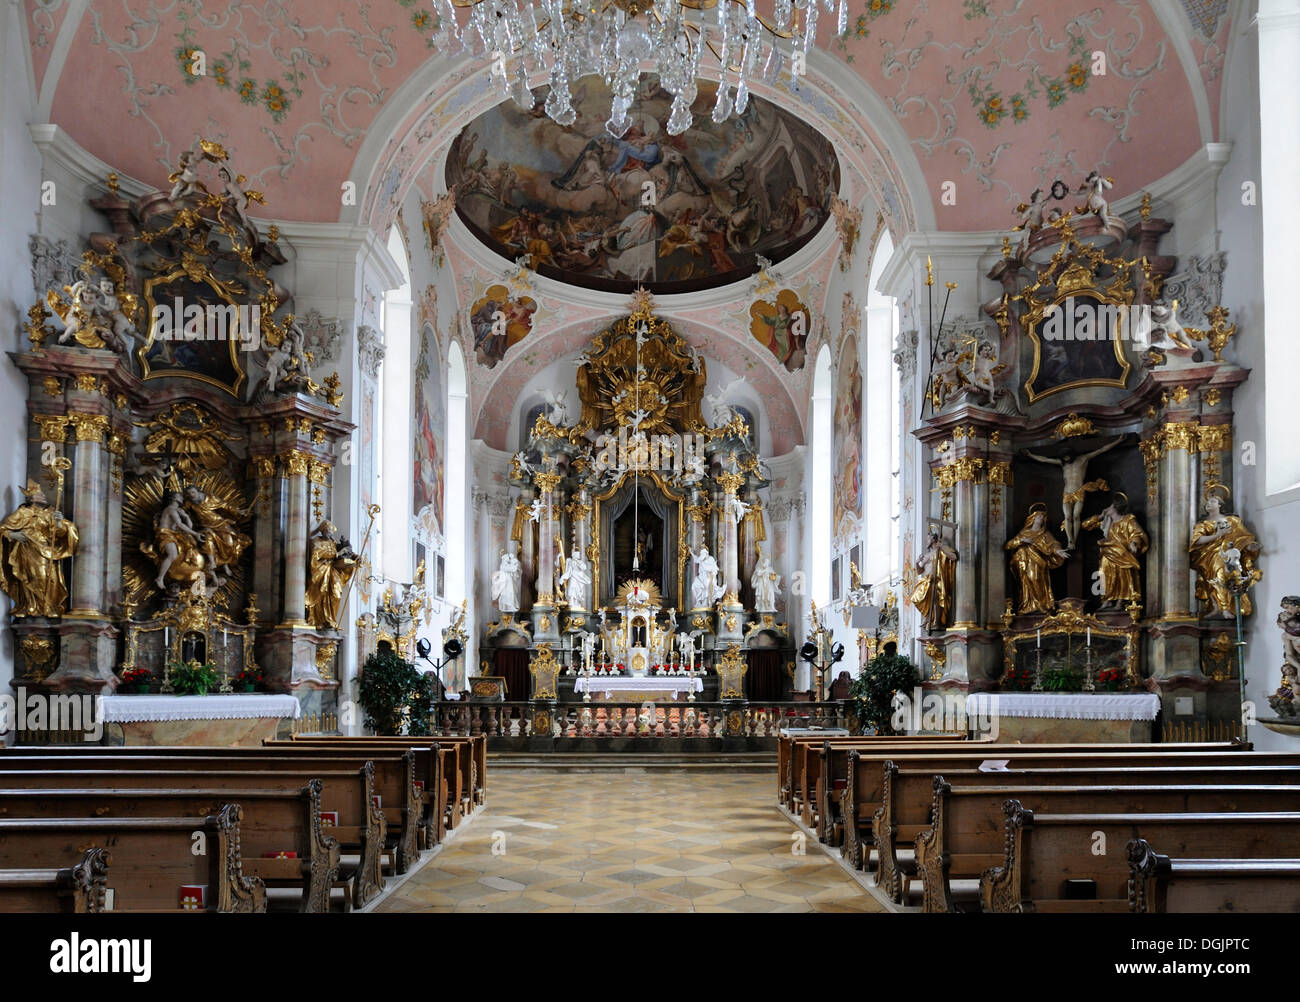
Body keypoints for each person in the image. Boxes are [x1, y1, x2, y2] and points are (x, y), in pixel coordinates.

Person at [1022, 436, 1124, 550]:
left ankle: (1074, 540)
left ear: (1072, 455)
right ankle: (1070, 541)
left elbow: (1101, 450)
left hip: (1079, 491)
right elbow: (1045, 459)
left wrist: (1118, 441)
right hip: (1067, 492)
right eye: (1063, 458)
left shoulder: (1083, 459)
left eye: (1067, 457)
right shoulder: (1063, 464)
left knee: (1076, 516)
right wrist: (1030, 455)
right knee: (1067, 517)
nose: (1065, 459)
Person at [0, 480, 79, 618]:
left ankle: (49, 606)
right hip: (28, 549)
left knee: (50, 578)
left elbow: (59, 534)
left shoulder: (50, 512)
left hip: (46, 550)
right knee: (34, 577)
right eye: (39, 494)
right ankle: (32, 606)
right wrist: (13, 534)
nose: (43, 495)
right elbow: (3, 529)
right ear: (30, 497)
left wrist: (59, 522)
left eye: (42, 493)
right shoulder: (23, 512)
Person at [1082, 493, 1148, 608]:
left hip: (1122, 554)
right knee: (1105, 575)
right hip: (1107, 553)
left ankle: (1121, 601)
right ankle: (1107, 599)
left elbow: (1137, 533)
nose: (1107, 508)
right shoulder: (1106, 523)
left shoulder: (1127, 520)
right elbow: (1085, 526)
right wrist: (1099, 517)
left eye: (1110, 506)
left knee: (1123, 577)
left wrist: (1134, 543)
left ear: (1115, 508)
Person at [1005, 505, 1070, 615]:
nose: (1041, 519)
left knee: (1036, 579)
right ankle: (1028, 606)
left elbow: (1053, 544)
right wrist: (1022, 540)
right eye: (1039, 517)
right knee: (1025, 584)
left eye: (1043, 518)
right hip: (1023, 562)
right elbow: (1008, 545)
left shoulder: (1045, 534)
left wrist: (1058, 551)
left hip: (1038, 563)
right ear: (1033, 518)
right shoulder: (1024, 533)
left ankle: (1041, 605)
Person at [910, 524, 958, 631]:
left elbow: (953, 557)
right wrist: (917, 563)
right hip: (926, 581)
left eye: (928, 538)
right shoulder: (928, 555)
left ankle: (936, 621)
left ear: (933, 538)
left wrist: (941, 548)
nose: (926, 541)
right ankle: (928, 617)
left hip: (938, 581)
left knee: (936, 600)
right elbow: (919, 571)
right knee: (918, 597)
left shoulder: (941, 549)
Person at [491, 548, 522, 614]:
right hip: (505, 583)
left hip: (509, 581)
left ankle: (510, 607)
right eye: (507, 558)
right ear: (504, 559)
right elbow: (512, 569)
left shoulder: (507, 564)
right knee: (505, 595)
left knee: (511, 593)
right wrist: (515, 565)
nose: (508, 559)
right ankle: (504, 607)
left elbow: (515, 571)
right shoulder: (503, 566)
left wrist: (515, 563)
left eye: (508, 557)